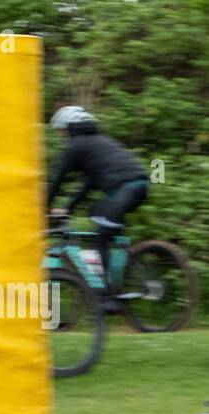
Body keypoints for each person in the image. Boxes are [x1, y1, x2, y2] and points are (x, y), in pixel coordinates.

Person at [46, 106, 149, 292]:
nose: (62, 136)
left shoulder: (76, 146)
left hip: (123, 190)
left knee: (101, 236)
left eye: (62, 131)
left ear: (70, 127)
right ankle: (120, 273)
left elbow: (57, 180)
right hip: (139, 187)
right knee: (100, 218)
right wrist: (68, 209)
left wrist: (42, 207)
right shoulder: (100, 143)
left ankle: (110, 294)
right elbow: (88, 185)